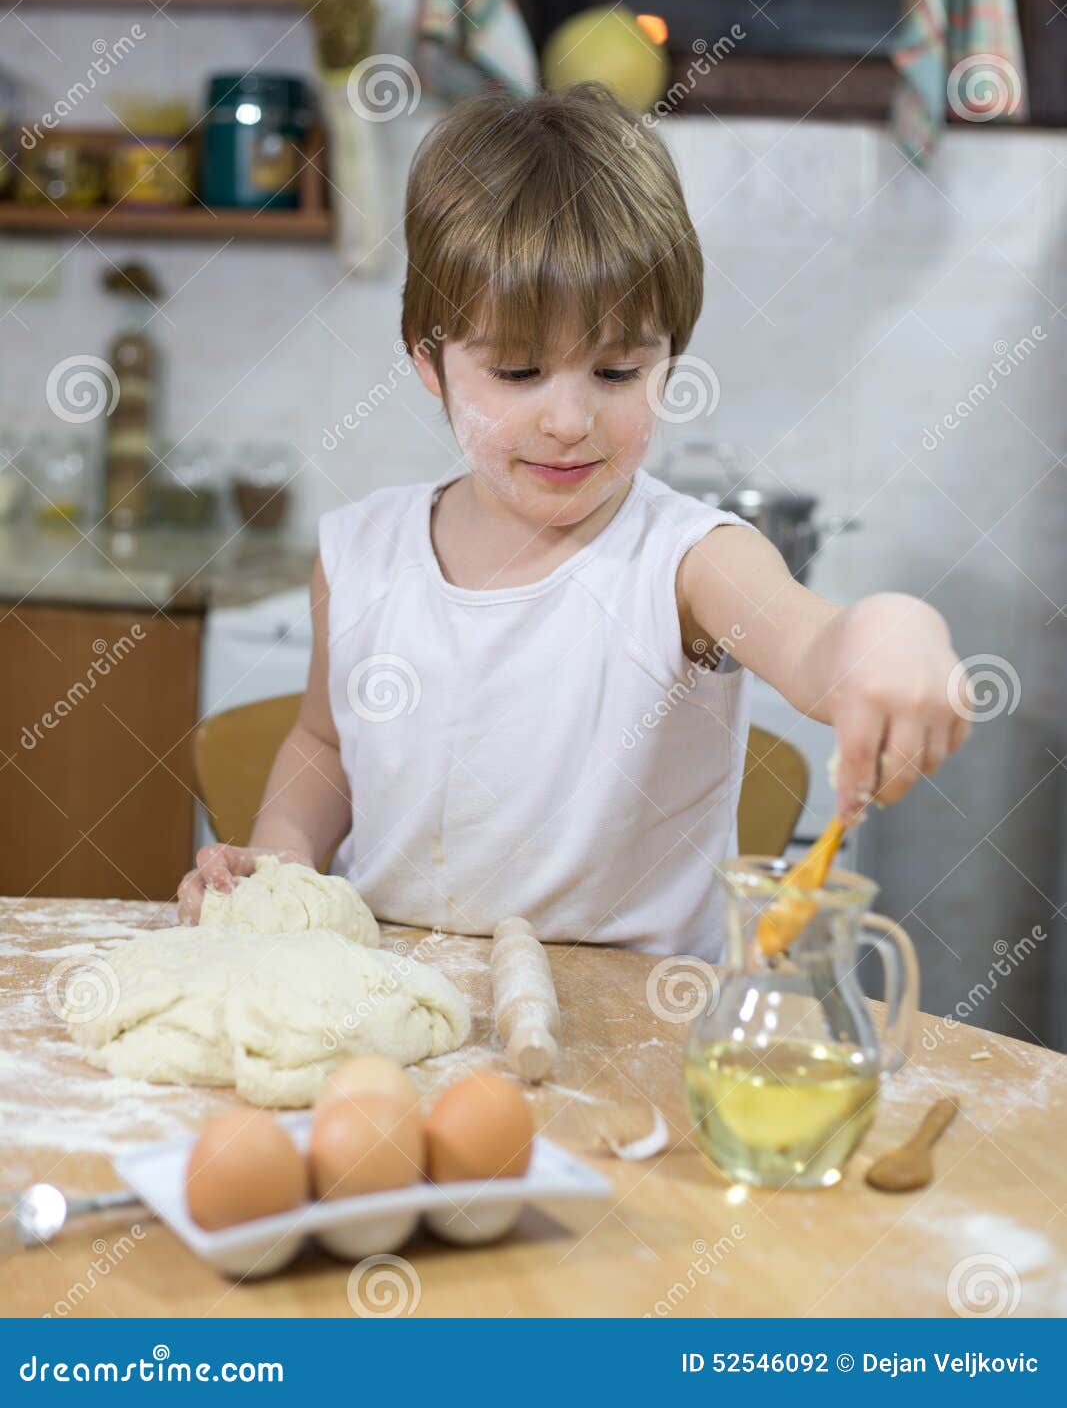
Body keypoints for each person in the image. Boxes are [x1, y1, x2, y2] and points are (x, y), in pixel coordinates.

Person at [178, 84, 969, 956]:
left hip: (631, 1035)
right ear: (431, 365)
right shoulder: (361, 553)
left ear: (668, 361)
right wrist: (284, 854)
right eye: (518, 373)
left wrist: (893, 630)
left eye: (618, 372)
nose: (568, 420)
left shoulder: (687, 566)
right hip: (394, 1001)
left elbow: (817, 651)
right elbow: (324, 740)